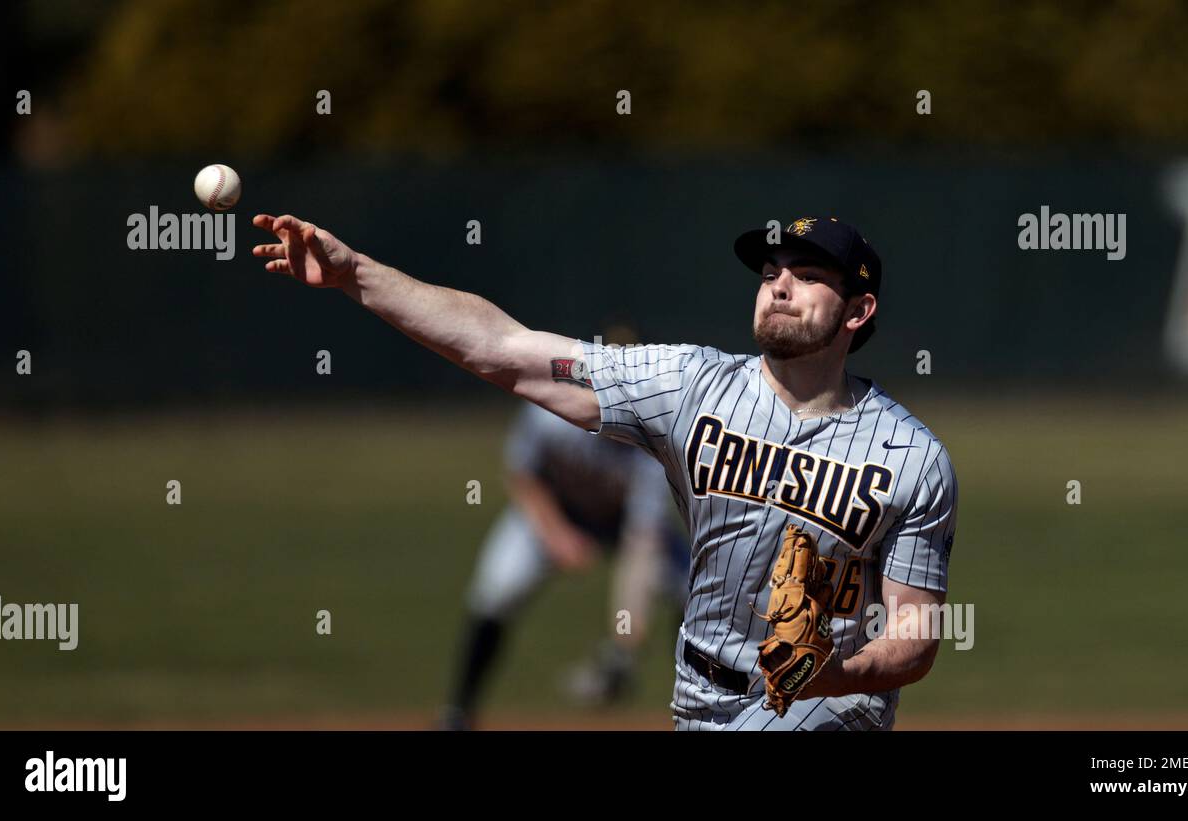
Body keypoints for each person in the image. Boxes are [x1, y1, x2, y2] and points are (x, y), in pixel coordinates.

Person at [251, 213, 958, 730]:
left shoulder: (910, 457)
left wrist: (838, 672)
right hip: (701, 702)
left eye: (808, 276)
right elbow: (503, 348)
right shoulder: (691, 386)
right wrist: (357, 275)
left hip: (827, 709)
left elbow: (916, 636)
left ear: (858, 310)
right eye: (772, 271)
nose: (779, 286)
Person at [441, 400, 688, 730]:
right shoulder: (553, 413)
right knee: (499, 587)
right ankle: (458, 712)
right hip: (551, 510)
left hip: (617, 522)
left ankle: (693, 711)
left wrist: (625, 642)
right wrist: (558, 536)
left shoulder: (652, 451)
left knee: (689, 588)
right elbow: (522, 475)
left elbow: (640, 548)